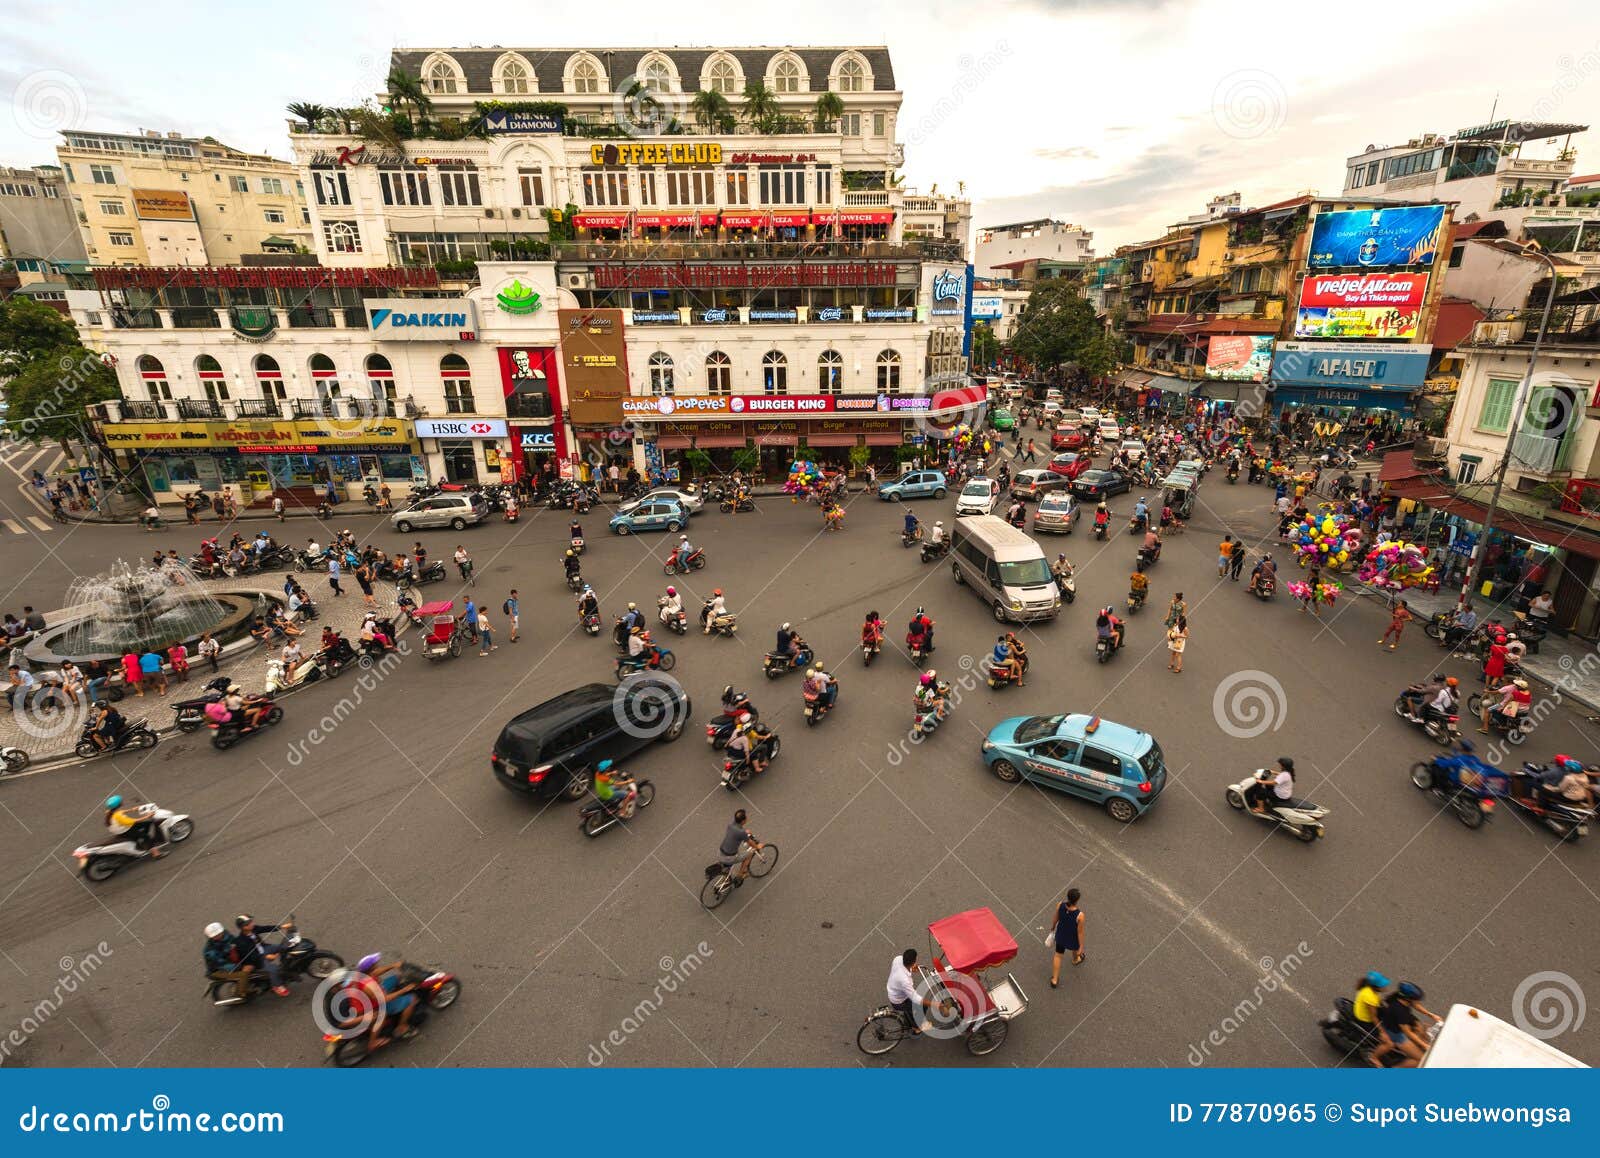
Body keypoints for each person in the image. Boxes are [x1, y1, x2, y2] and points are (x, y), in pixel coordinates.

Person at [1368, 982, 1441, 1068]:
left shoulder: (1398, 998)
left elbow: (1416, 1005)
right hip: (1396, 1035)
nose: (1418, 1001)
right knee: (1421, 1060)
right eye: (1416, 999)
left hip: (1397, 1023)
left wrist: (1431, 1015)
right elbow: (1408, 1033)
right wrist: (1424, 1045)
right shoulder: (1400, 1012)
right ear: (1408, 999)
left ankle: (1418, 1046)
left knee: (1422, 1028)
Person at [887, 948, 948, 1034]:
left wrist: (911, 968)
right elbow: (915, 998)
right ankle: (917, 1027)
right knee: (922, 1007)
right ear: (913, 961)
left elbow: (904, 968)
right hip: (899, 1001)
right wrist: (935, 1004)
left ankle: (909, 1018)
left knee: (911, 1008)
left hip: (893, 990)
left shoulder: (898, 959)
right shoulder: (905, 980)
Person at [232, 914, 291, 997]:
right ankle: (277, 986)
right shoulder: (241, 941)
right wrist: (266, 957)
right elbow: (251, 956)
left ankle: (284, 965)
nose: (252, 923)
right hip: (257, 960)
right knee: (274, 969)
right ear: (244, 927)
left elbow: (265, 928)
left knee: (283, 947)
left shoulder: (253, 929)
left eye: (251, 921)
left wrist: (281, 926)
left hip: (264, 949)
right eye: (249, 923)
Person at [1048, 887, 1086, 988]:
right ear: (1077, 900)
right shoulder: (1080, 915)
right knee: (1074, 949)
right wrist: (1081, 946)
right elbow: (1080, 932)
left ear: (1068, 897)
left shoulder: (1060, 905)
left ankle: (1054, 980)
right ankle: (1075, 959)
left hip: (1061, 935)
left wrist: (1052, 927)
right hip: (1072, 938)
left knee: (1058, 955)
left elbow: (1055, 918)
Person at [717, 808, 763, 884]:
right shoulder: (741, 833)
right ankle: (740, 875)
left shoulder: (731, 825)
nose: (747, 818)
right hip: (729, 857)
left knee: (733, 854)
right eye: (746, 817)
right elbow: (750, 842)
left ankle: (726, 875)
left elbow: (738, 833)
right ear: (743, 821)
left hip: (720, 853)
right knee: (750, 854)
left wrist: (746, 833)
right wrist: (757, 847)